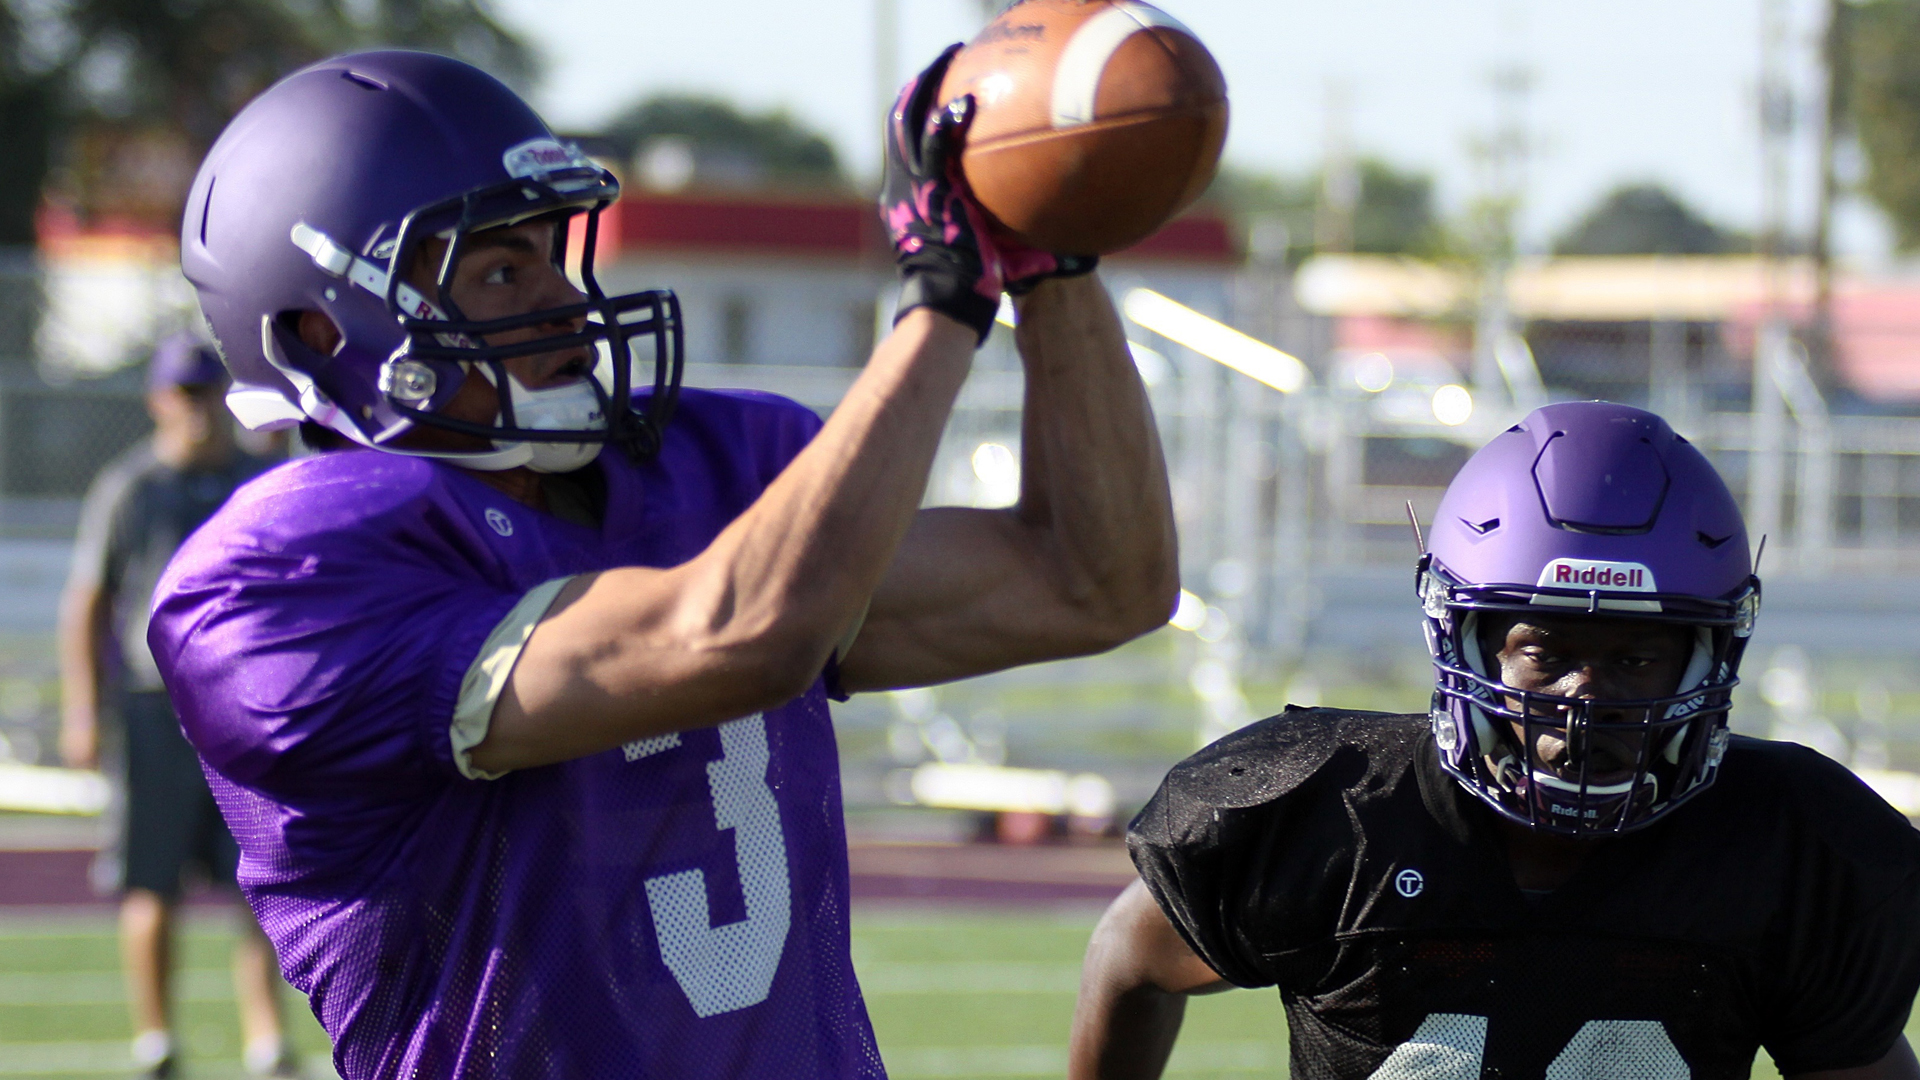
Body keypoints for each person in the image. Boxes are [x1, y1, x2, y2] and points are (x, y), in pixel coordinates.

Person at [148, 46, 1175, 1080]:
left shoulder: (702, 467)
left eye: (554, 252)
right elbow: (738, 637)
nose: (565, 303)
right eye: (501, 270)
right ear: (323, 332)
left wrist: (1048, 260)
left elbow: (1094, 581)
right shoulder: (272, 584)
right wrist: (944, 302)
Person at [1072, 401, 1920, 1080]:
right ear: (1466, 641)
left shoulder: (1793, 845)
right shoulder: (1332, 813)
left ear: (1707, 657)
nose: (1585, 696)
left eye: (1635, 656)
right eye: (1543, 653)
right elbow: (1131, 957)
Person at [59, 334, 292, 1079]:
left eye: (206, 390)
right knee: (149, 879)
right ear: (159, 400)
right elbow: (89, 602)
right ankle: (156, 1038)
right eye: (182, 392)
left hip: (243, 714)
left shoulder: (259, 481)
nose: (196, 407)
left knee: (257, 881)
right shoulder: (131, 486)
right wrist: (83, 709)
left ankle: (267, 1040)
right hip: (157, 709)